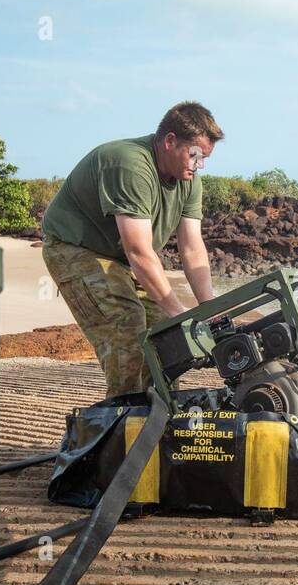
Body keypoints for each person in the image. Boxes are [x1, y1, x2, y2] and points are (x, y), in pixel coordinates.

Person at [41, 101, 222, 398]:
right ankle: (122, 423)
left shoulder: (190, 181)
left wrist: (210, 309)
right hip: (75, 248)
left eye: (205, 158)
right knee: (126, 328)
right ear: (169, 141)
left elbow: (192, 249)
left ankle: (161, 421)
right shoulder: (130, 165)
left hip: (121, 257)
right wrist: (180, 313)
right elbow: (138, 251)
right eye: (195, 155)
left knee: (167, 335)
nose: (199, 165)